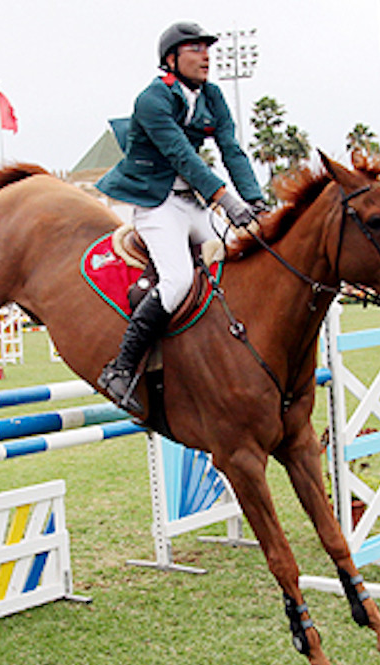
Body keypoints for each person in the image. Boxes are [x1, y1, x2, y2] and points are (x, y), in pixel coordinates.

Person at [95, 21, 266, 415]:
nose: (206, 56)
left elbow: (231, 149)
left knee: (243, 260)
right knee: (177, 280)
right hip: (157, 204)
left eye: (208, 48)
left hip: (193, 204)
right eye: (196, 48)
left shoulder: (212, 96)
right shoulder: (152, 99)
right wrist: (226, 199)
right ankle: (121, 368)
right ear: (171, 59)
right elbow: (182, 157)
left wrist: (255, 201)